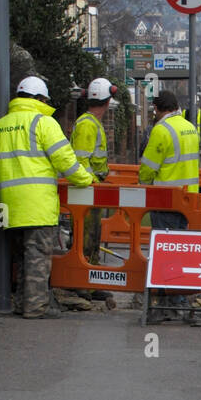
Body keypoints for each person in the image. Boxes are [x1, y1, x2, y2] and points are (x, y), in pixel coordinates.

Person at [0, 76, 96, 319]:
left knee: (20, 256)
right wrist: (86, 179)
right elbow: (66, 161)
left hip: (5, 205)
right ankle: (35, 308)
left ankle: (20, 304)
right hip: (36, 204)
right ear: (40, 99)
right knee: (37, 257)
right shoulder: (44, 123)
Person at [137, 90, 201, 322]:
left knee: (165, 253)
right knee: (178, 248)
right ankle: (178, 299)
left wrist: (143, 183)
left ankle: (170, 300)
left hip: (166, 199)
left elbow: (148, 166)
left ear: (157, 109)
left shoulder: (161, 130)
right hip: (188, 200)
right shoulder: (189, 128)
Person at [70, 77, 118, 277]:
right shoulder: (88, 125)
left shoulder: (90, 123)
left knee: (92, 236)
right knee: (86, 239)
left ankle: (91, 277)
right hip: (87, 190)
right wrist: (92, 182)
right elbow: (81, 160)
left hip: (92, 188)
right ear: (107, 102)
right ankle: (85, 281)